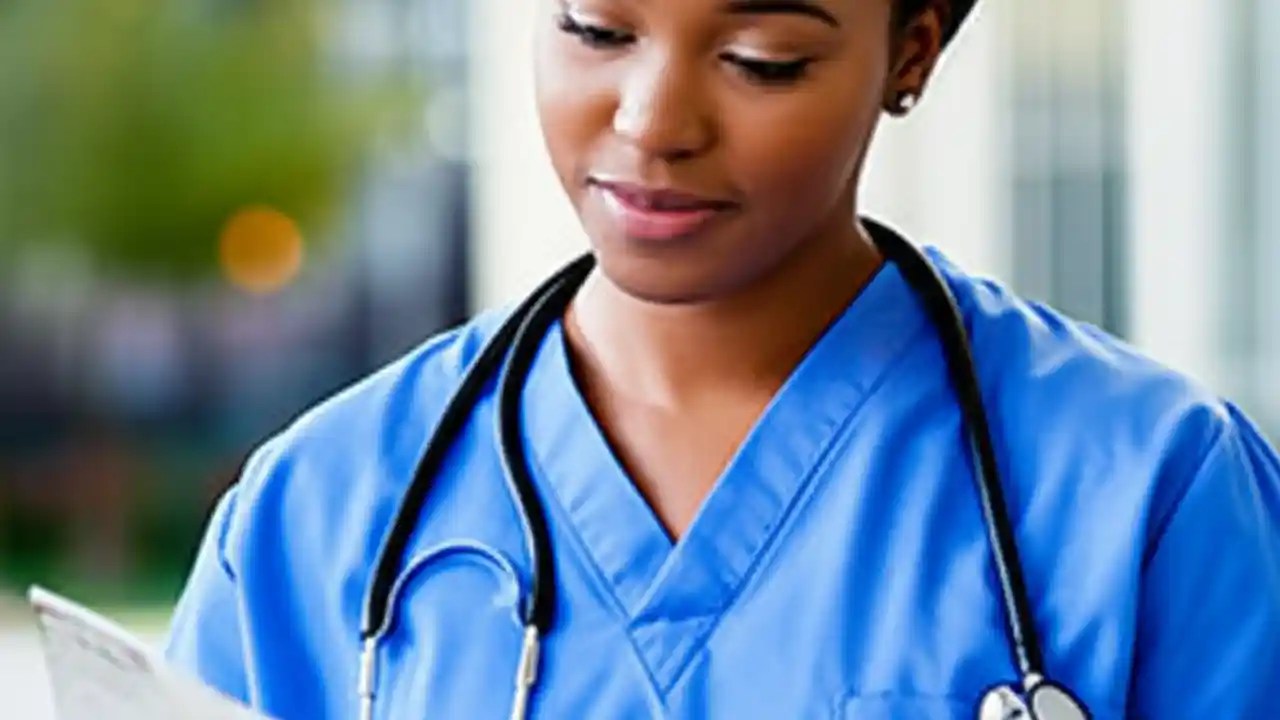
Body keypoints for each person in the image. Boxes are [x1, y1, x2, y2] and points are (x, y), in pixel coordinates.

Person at [165, 0, 1280, 717]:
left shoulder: (1149, 491)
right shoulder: (315, 515)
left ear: (912, 49)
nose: (651, 123)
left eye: (761, 59)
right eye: (595, 31)